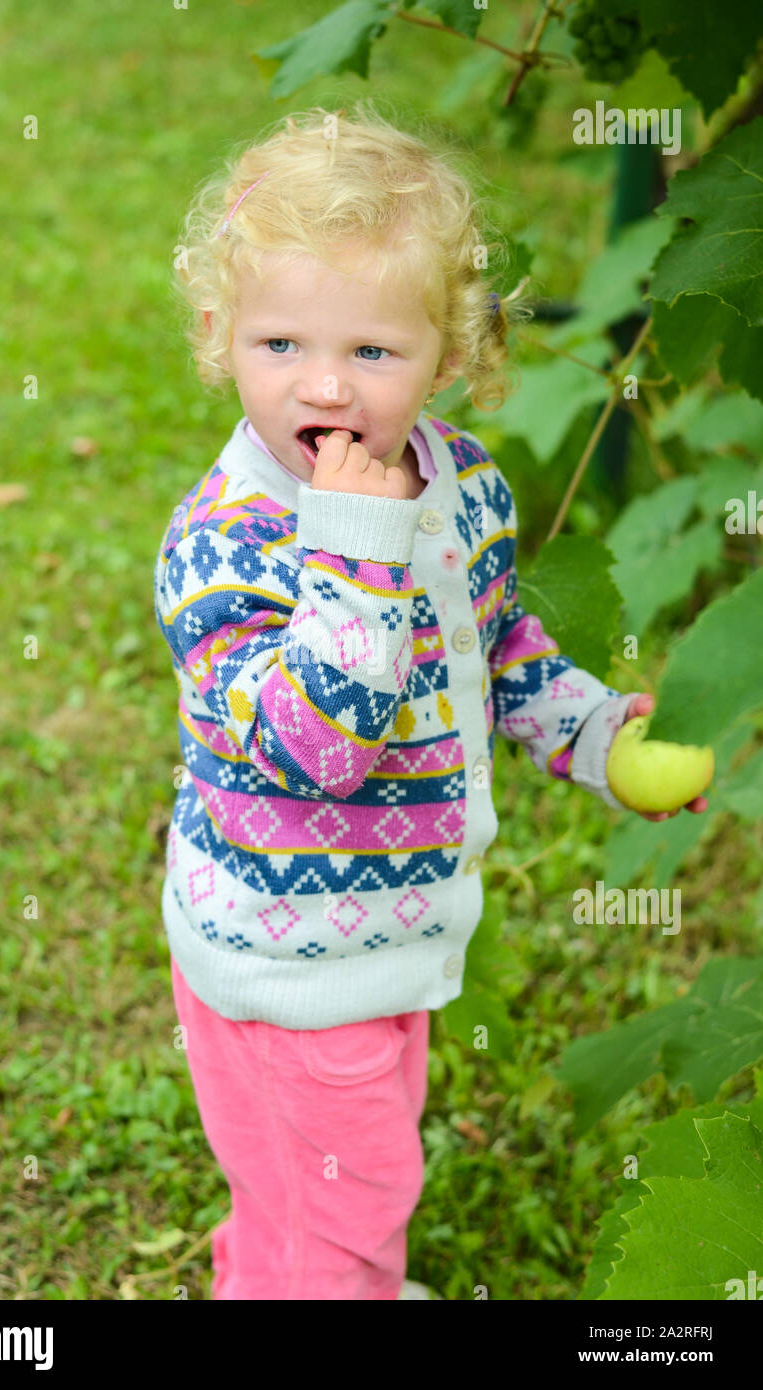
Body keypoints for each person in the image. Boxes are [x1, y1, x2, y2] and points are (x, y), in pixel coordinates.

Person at [154, 103, 707, 1301]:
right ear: (220, 335)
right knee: (346, 1210)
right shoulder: (228, 545)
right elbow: (320, 751)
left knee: (319, 1194)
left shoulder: (459, 485)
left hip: (391, 931)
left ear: (448, 355)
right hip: (287, 961)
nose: (327, 388)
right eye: (282, 346)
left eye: (373, 353)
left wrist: (598, 734)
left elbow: (500, 648)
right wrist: (353, 548)